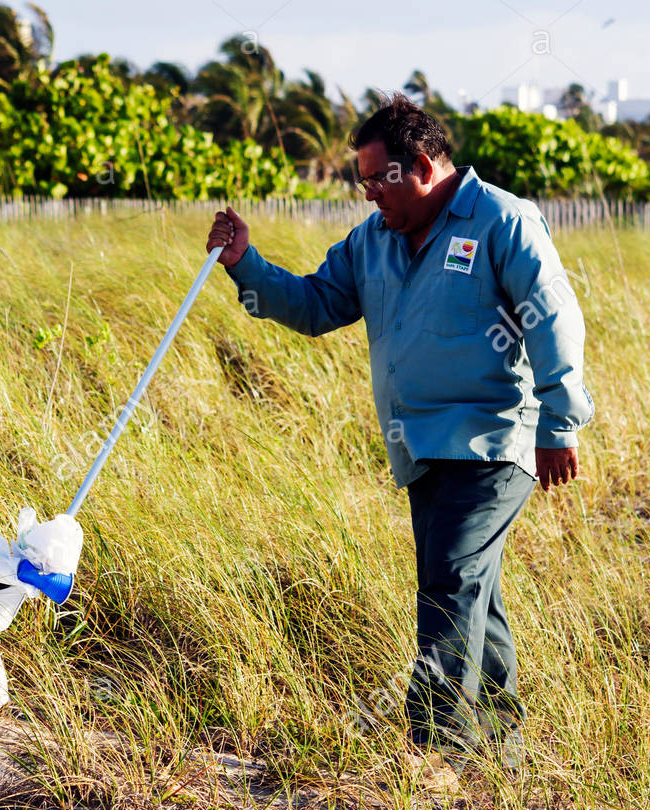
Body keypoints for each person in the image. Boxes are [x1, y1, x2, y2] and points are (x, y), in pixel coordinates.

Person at [205, 94, 594, 772]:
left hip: (493, 443)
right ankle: (502, 754)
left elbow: (550, 316)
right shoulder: (372, 240)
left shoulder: (502, 219)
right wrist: (247, 264)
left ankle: (436, 753)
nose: (367, 196)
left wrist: (560, 422)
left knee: (449, 587)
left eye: (374, 181)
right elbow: (317, 304)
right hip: (420, 449)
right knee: (473, 590)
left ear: (418, 166)